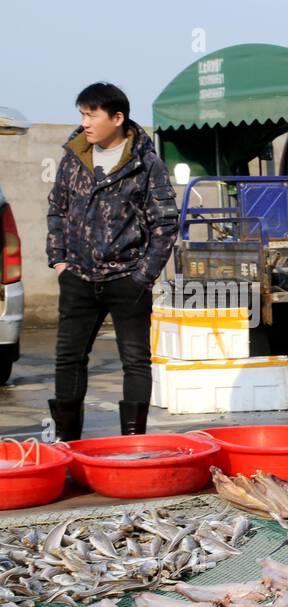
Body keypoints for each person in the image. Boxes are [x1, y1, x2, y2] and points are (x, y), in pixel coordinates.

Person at [46, 82, 178, 440]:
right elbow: (57, 209)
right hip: (78, 278)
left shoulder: (145, 163)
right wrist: (59, 262)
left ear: (117, 118)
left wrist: (143, 276)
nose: (86, 123)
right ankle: (66, 443)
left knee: (135, 362)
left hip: (127, 280)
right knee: (68, 359)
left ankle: (134, 444)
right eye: (82, 115)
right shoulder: (74, 158)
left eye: (92, 115)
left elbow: (165, 222)